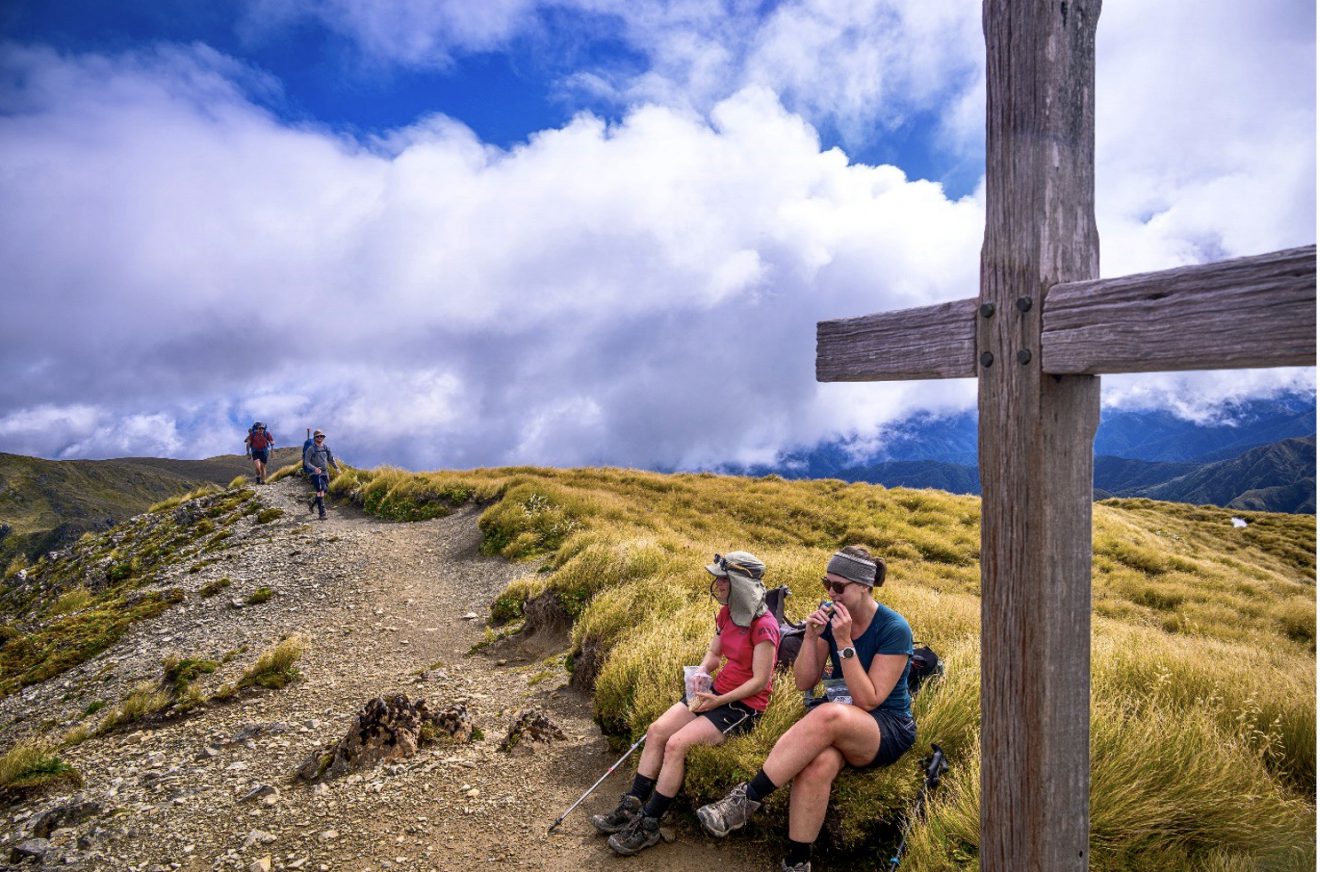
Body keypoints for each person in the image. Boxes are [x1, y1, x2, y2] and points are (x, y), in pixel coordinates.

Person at [695, 545, 915, 872]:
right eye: (826, 583)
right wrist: (812, 637)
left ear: (865, 586)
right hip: (841, 717)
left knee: (827, 714)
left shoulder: (894, 628)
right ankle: (797, 861)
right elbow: (803, 681)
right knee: (818, 765)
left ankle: (744, 802)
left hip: (883, 726)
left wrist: (844, 644)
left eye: (838, 587)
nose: (830, 592)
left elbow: (870, 699)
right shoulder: (831, 619)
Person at [592, 551, 780, 857]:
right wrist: (703, 673)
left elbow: (760, 681)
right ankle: (631, 806)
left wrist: (718, 699)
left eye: (722, 580)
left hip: (742, 707)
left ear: (739, 584)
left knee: (676, 744)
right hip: (714, 693)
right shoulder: (727, 614)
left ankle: (650, 823)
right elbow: (715, 655)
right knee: (656, 731)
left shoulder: (765, 626)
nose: (717, 585)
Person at [302, 429, 340, 520]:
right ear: (315, 438)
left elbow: (331, 459)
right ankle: (322, 513)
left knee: (325, 490)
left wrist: (337, 468)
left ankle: (312, 502)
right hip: (314, 473)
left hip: (325, 472)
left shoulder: (326, 448)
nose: (320, 438)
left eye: (321, 436)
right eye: (318, 436)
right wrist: (314, 469)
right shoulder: (311, 449)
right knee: (320, 490)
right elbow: (306, 462)